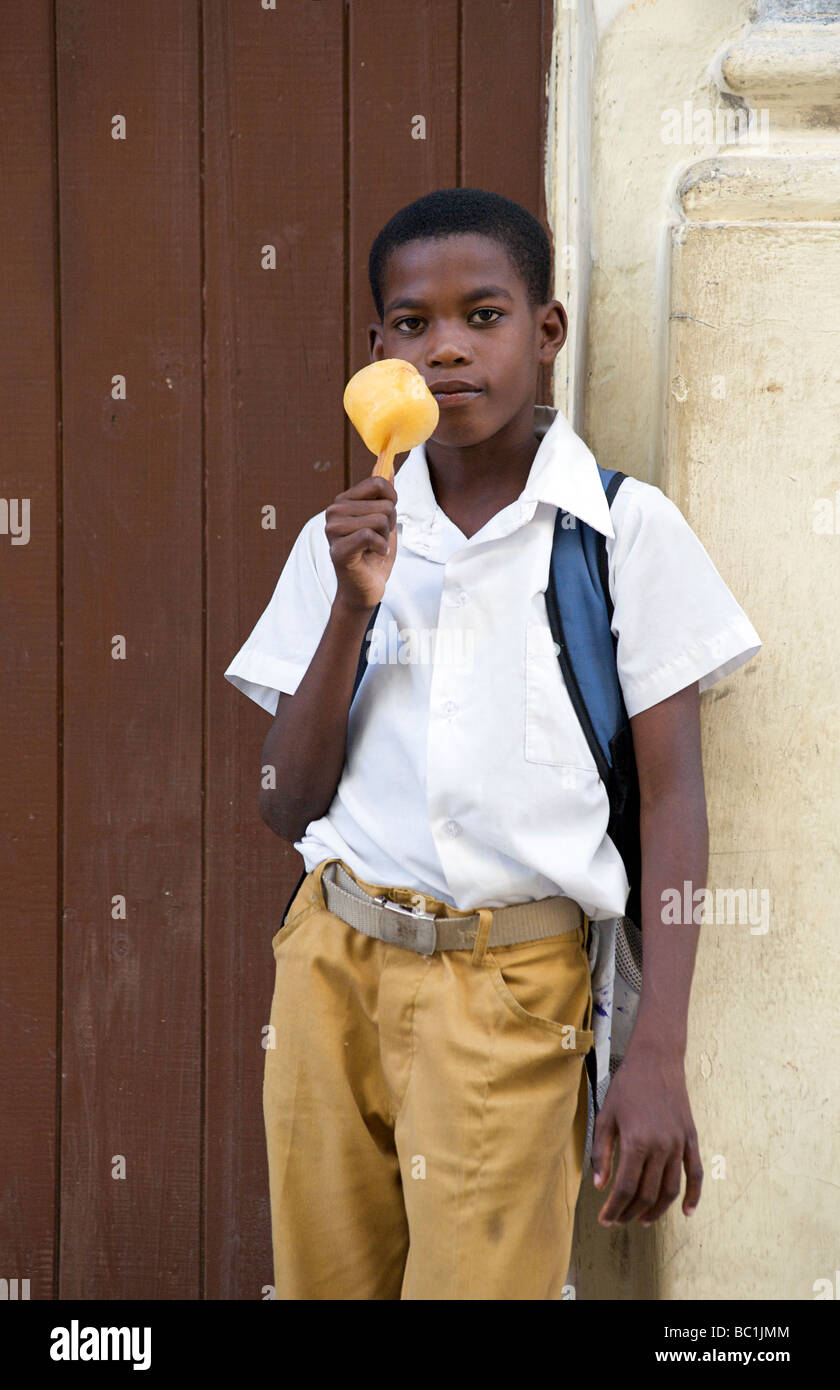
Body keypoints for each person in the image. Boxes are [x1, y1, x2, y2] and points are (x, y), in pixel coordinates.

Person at [224, 187, 762, 1300]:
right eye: (412, 326)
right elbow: (285, 801)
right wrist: (349, 608)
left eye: (485, 314)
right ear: (377, 352)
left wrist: (657, 1051)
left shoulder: (622, 533)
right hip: (333, 971)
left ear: (546, 331)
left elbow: (674, 807)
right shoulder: (348, 539)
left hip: (512, 991)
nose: (449, 349)